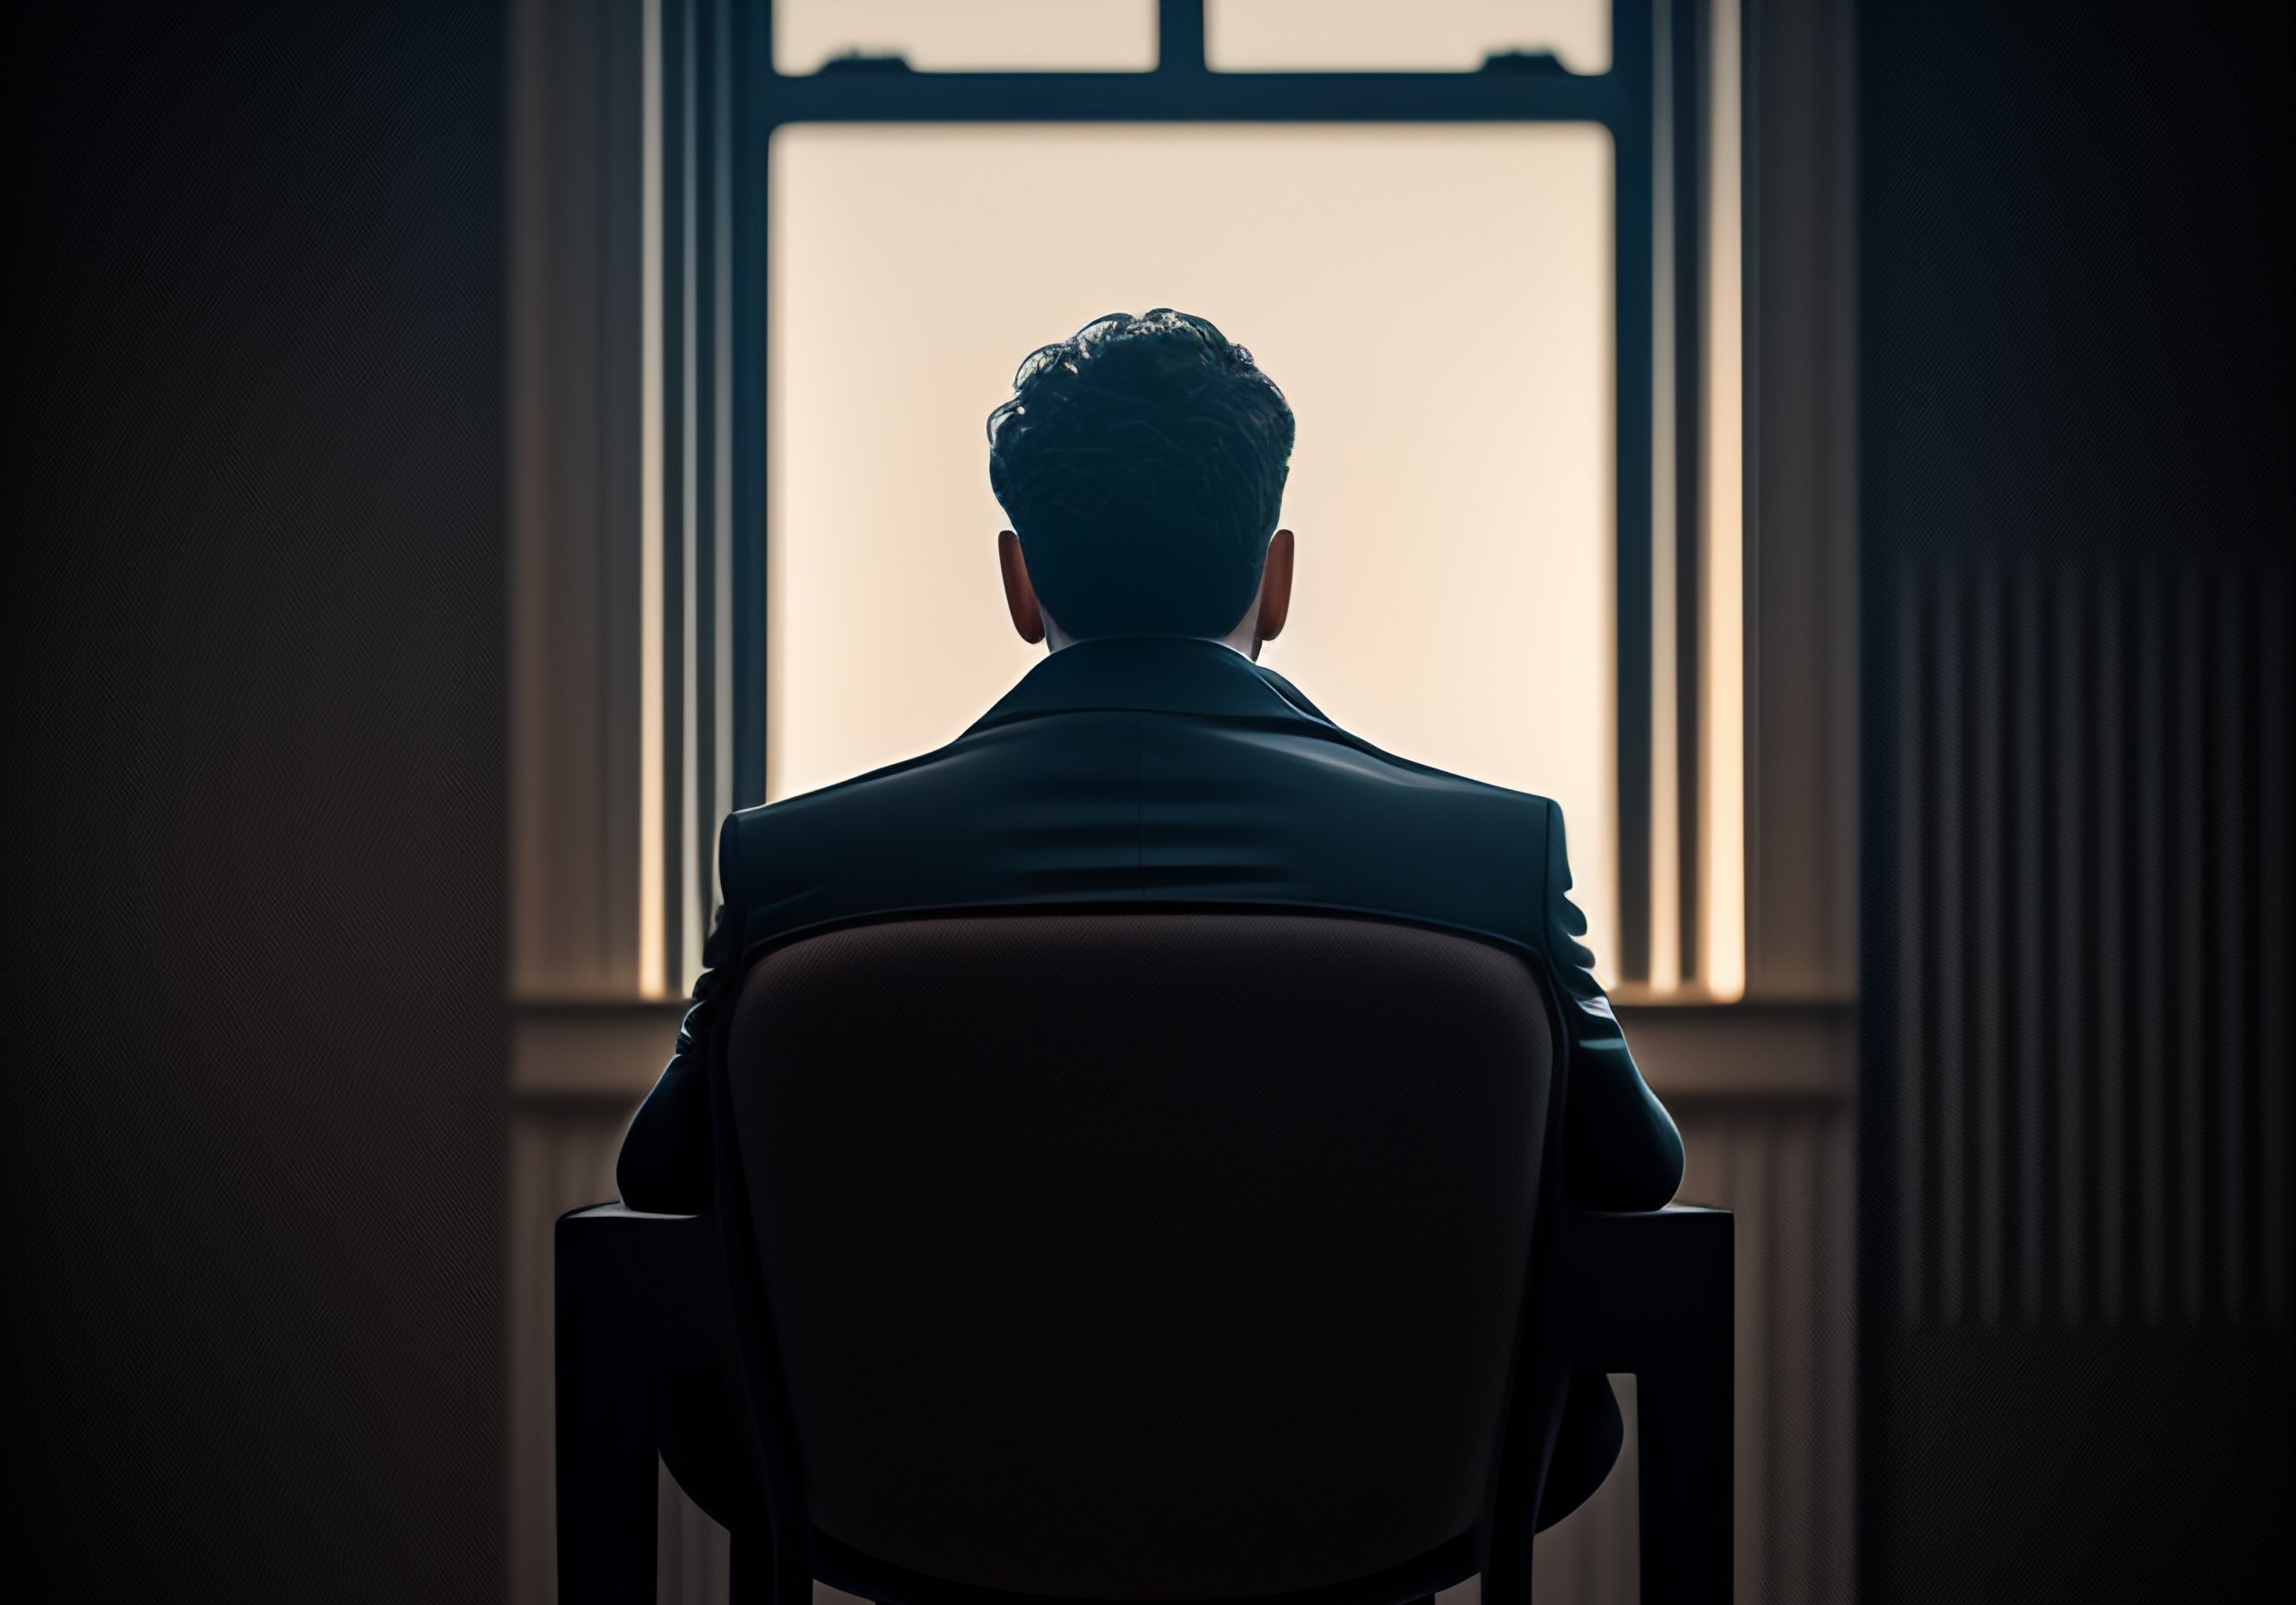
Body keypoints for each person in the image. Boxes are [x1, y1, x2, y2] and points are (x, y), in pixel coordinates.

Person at [619, 308, 1683, 1525]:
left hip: (922, 1493)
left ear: (1018, 581)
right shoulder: (1489, 854)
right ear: (1275, 578)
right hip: (1375, 1490)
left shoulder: (801, 863)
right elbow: (1636, 1171)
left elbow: (660, 1175)